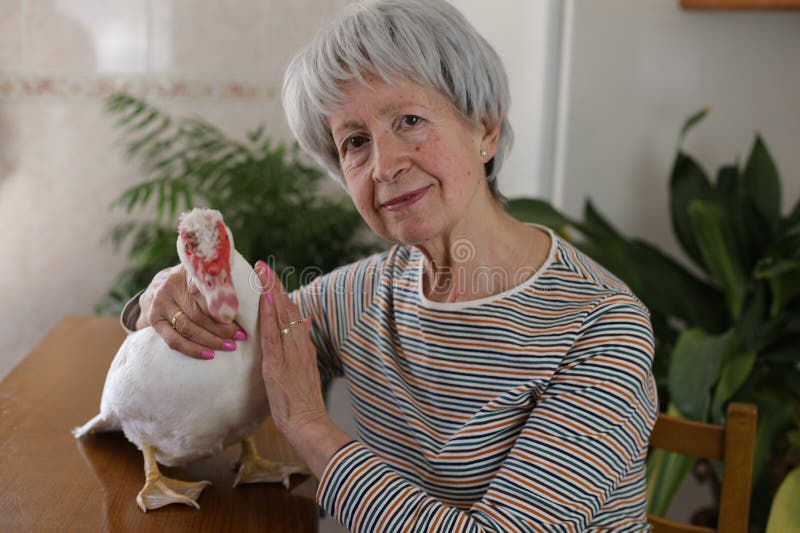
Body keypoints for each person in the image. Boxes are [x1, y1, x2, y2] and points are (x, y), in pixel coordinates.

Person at [122, 0, 658, 530]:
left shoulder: (603, 328)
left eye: (410, 120)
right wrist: (156, 301)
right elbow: (235, 343)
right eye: (355, 141)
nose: (384, 165)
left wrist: (309, 425)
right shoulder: (359, 295)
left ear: (485, 130)